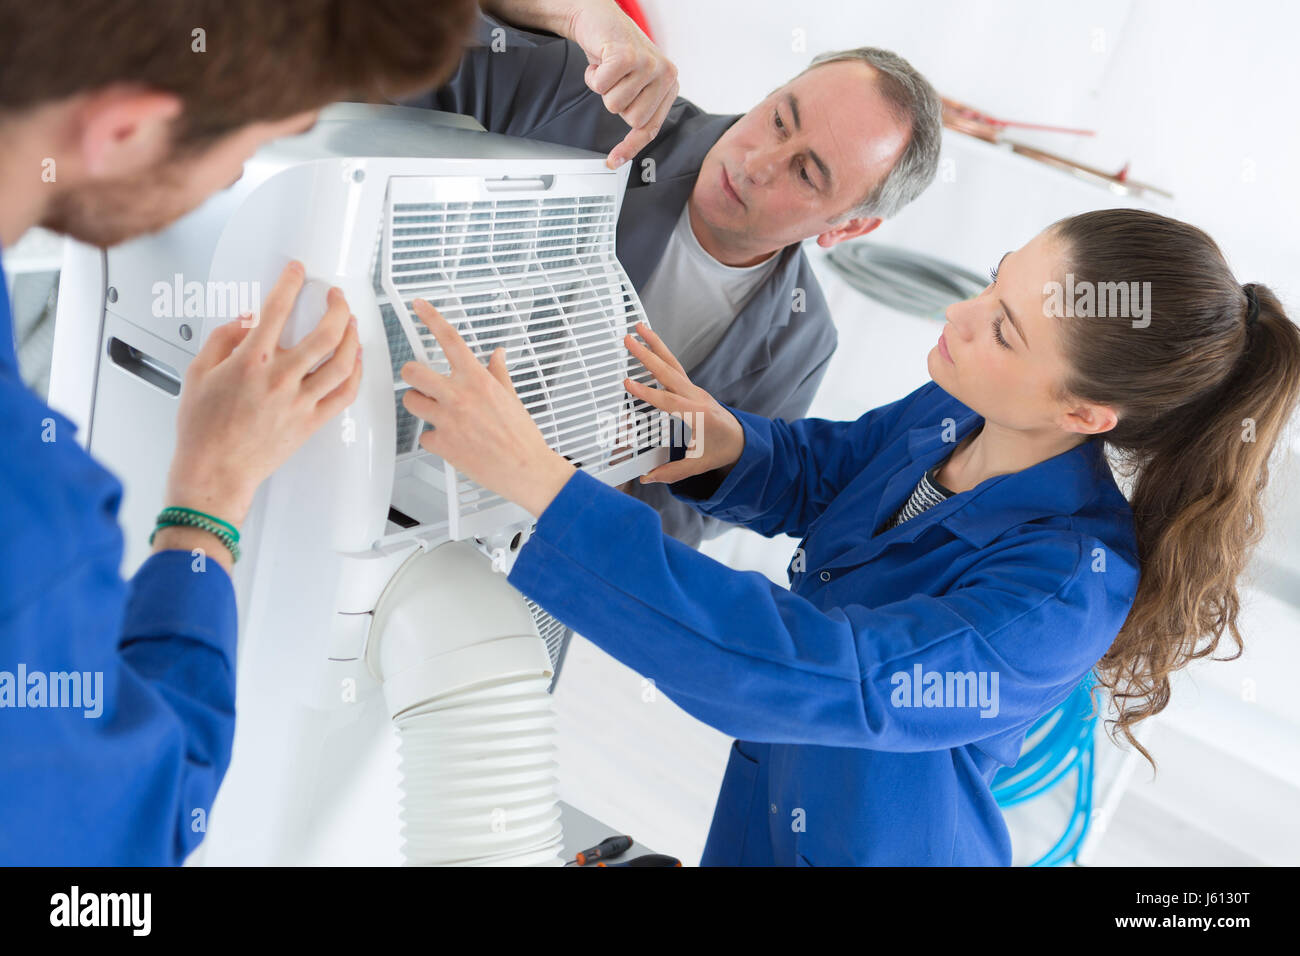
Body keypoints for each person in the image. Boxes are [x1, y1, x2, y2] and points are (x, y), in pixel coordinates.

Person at [396, 207, 1300, 865]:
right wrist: (728, 445)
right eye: (993, 280)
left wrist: (550, 494)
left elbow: (817, 671)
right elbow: (833, 474)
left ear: (1084, 410)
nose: (958, 316)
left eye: (1003, 330)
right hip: (773, 809)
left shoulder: (1066, 586)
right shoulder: (960, 406)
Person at [0, 0, 478, 865]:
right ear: (128, 129)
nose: (229, 184)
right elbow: (125, 847)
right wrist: (206, 504)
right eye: (252, 148)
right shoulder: (32, 524)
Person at [411, 0, 943, 547]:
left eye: (806, 174)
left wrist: (559, 483)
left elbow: (684, 523)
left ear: (846, 229)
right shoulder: (602, 102)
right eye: (780, 120)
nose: (758, 163)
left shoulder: (802, 341)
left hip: (498, 552)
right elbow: (389, 40)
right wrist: (572, 15)